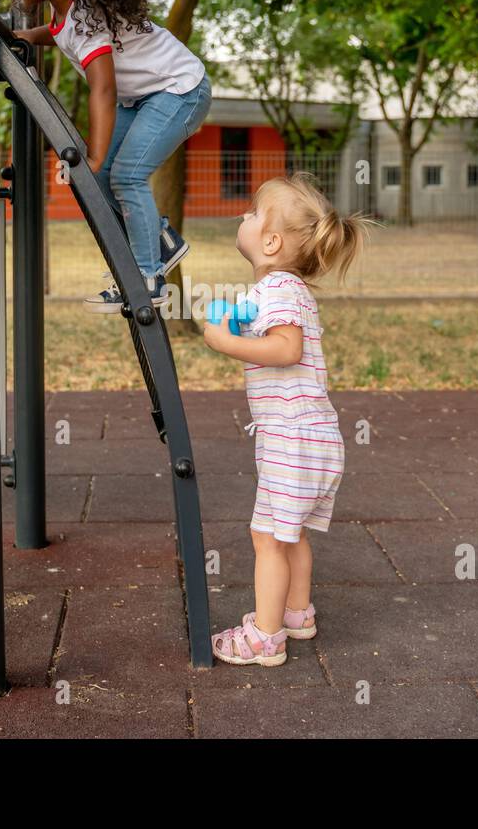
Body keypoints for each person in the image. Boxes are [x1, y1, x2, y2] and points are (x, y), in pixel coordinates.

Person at [0, 0, 211, 311]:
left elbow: (104, 87)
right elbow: (60, 36)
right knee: (95, 178)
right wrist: (27, 36)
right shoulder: (65, 13)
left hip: (180, 90)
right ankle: (161, 240)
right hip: (150, 97)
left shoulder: (88, 13)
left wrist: (95, 153)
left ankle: (148, 278)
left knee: (123, 172)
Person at [203, 173, 378, 665]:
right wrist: (238, 321)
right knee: (291, 531)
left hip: (292, 439)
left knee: (266, 538)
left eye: (253, 214)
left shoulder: (278, 287)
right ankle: (298, 615)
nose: (244, 216)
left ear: (272, 241)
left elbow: (285, 348)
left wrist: (223, 341)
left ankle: (264, 637)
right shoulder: (285, 289)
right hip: (311, 435)